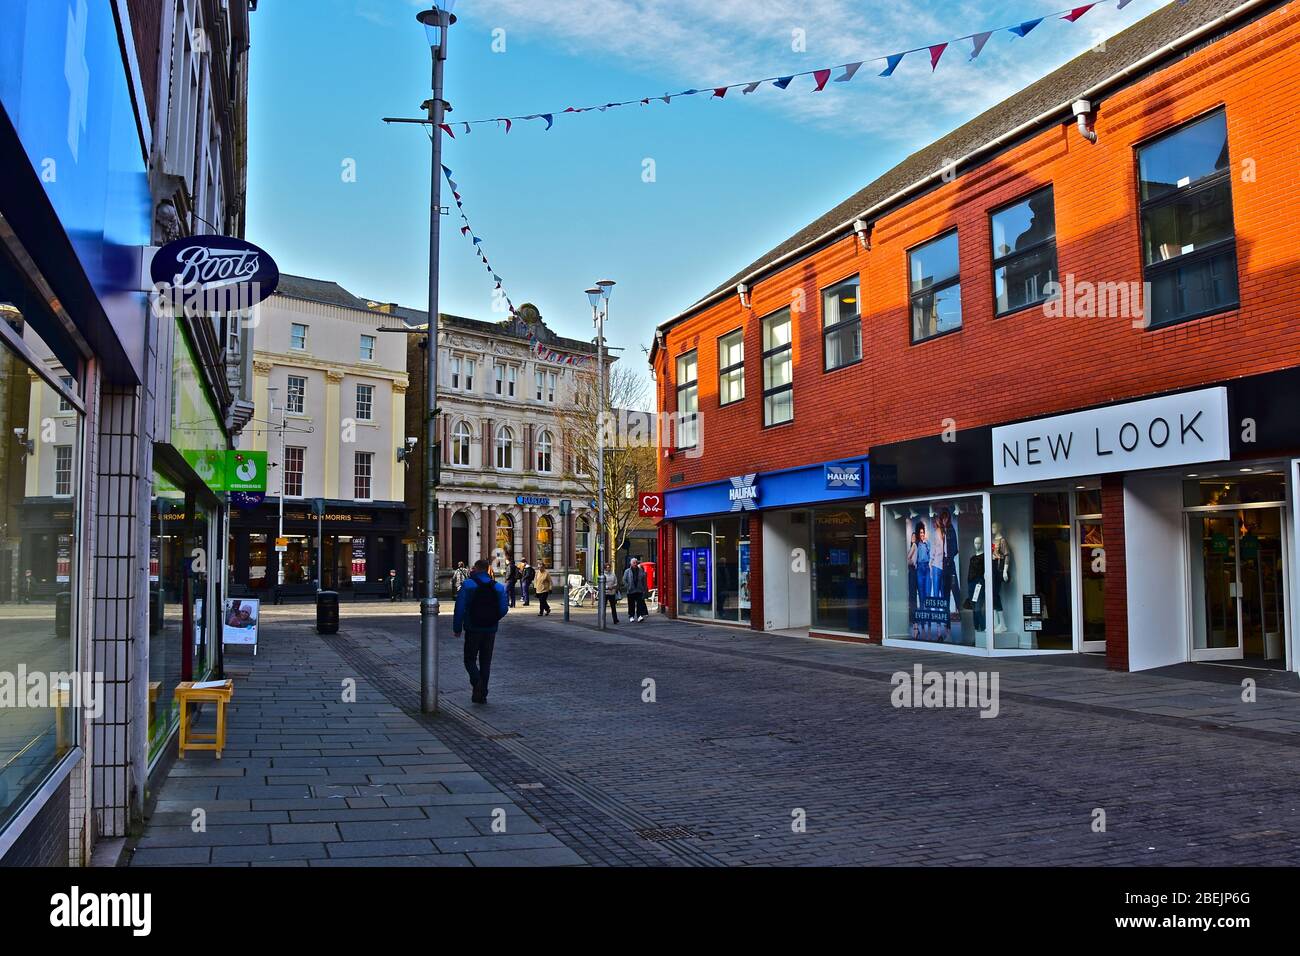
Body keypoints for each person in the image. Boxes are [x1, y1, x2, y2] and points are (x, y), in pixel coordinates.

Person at [452, 559, 509, 704]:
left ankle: (478, 684)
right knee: (485, 661)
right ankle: (481, 695)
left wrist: (457, 627)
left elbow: (459, 608)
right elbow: (503, 609)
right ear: (488, 569)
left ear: (476, 569)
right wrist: (493, 618)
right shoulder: (498, 587)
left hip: (473, 628)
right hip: (490, 629)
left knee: (469, 659)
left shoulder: (468, 585)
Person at [623, 558, 649, 623]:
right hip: (631, 591)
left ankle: (639, 616)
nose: (635, 564)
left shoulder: (640, 570)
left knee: (639, 604)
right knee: (631, 604)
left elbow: (643, 580)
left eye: (636, 562)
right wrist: (628, 586)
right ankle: (631, 616)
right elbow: (624, 580)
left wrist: (644, 588)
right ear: (631, 563)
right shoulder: (627, 571)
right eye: (634, 563)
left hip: (639, 590)